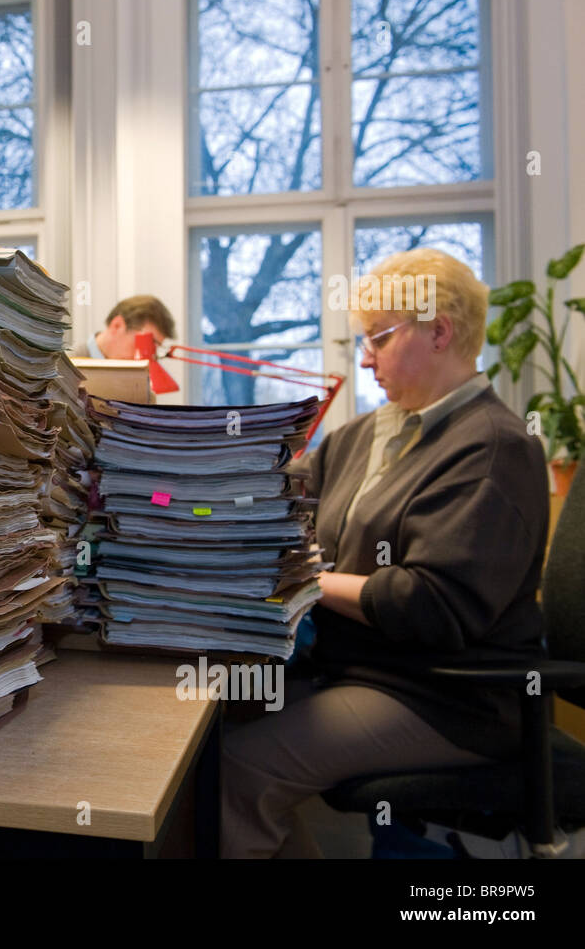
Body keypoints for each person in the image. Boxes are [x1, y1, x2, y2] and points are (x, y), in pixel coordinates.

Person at [222, 248, 549, 858]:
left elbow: (429, 604)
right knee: (211, 730)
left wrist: (307, 577)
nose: (365, 358)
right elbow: (286, 500)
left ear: (439, 332)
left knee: (239, 772)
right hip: (360, 672)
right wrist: (177, 489)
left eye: (377, 338)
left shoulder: (495, 447)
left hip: (444, 696)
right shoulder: (371, 433)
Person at [86, 295, 176, 359]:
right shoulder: (72, 367)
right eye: (148, 342)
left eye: (155, 349)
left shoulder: (136, 374)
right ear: (117, 326)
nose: (148, 358)